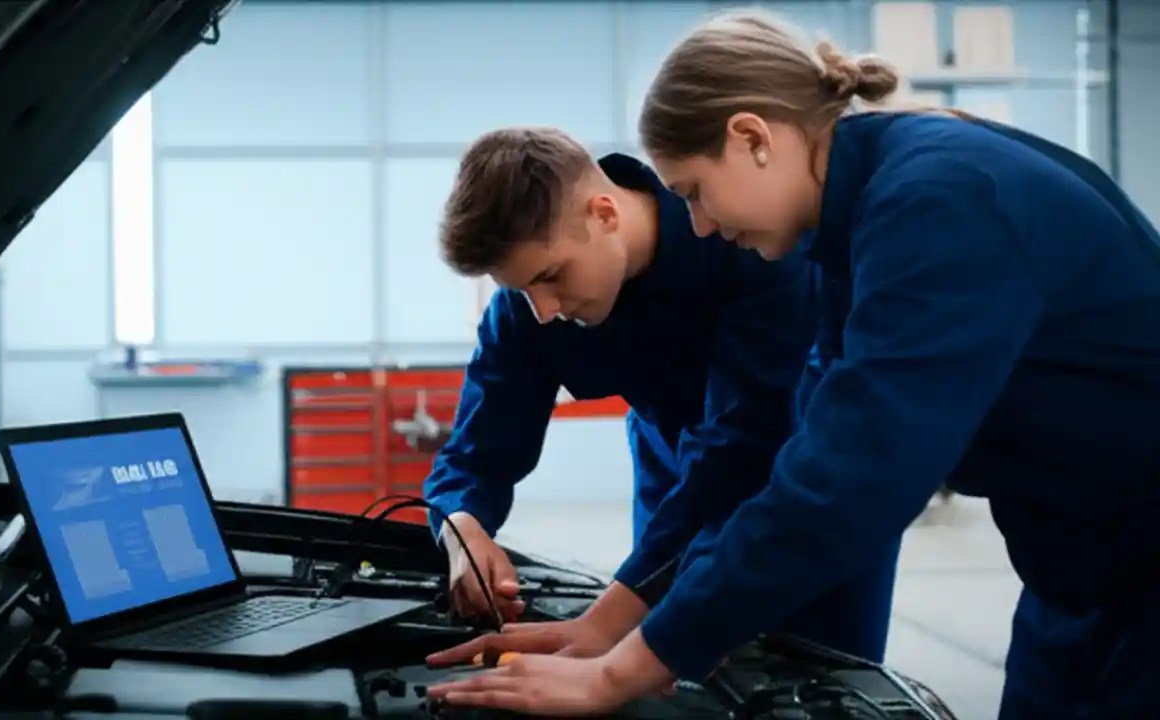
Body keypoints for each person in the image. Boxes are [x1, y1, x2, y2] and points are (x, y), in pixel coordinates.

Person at [427, 11, 1160, 719]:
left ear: (752, 138)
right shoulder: (855, 222)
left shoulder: (937, 203)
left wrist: (623, 666)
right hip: (1072, 572)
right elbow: (806, 452)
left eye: (694, 193)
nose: (702, 223)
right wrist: (619, 625)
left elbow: (850, 476)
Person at [421, 126, 902, 663]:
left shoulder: (745, 241)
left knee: (822, 683)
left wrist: (606, 621)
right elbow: (474, 453)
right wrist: (462, 526)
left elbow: (745, 442)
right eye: (521, 289)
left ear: (604, 213)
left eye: (552, 276)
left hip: (815, 481)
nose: (545, 310)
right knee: (672, 684)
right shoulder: (528, 308)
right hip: (675, 479)